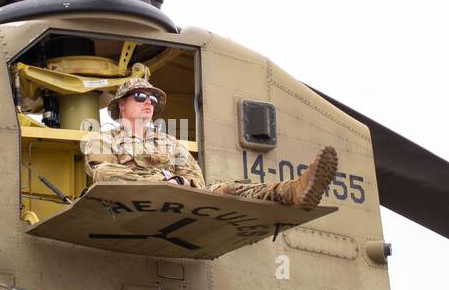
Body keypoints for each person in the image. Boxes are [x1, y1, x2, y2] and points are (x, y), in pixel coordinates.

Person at [81, 77, 338, 210]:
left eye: (152, 100)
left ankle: (292, 191)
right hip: (134, 205)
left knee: (229, 188)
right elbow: (103, 174)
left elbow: (196, 179)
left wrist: (180, 183)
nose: (149, 102)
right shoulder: (102, 139)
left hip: (181, 201)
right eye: (140, 96)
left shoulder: (170, 143)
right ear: (121, 104)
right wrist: (163, 180)